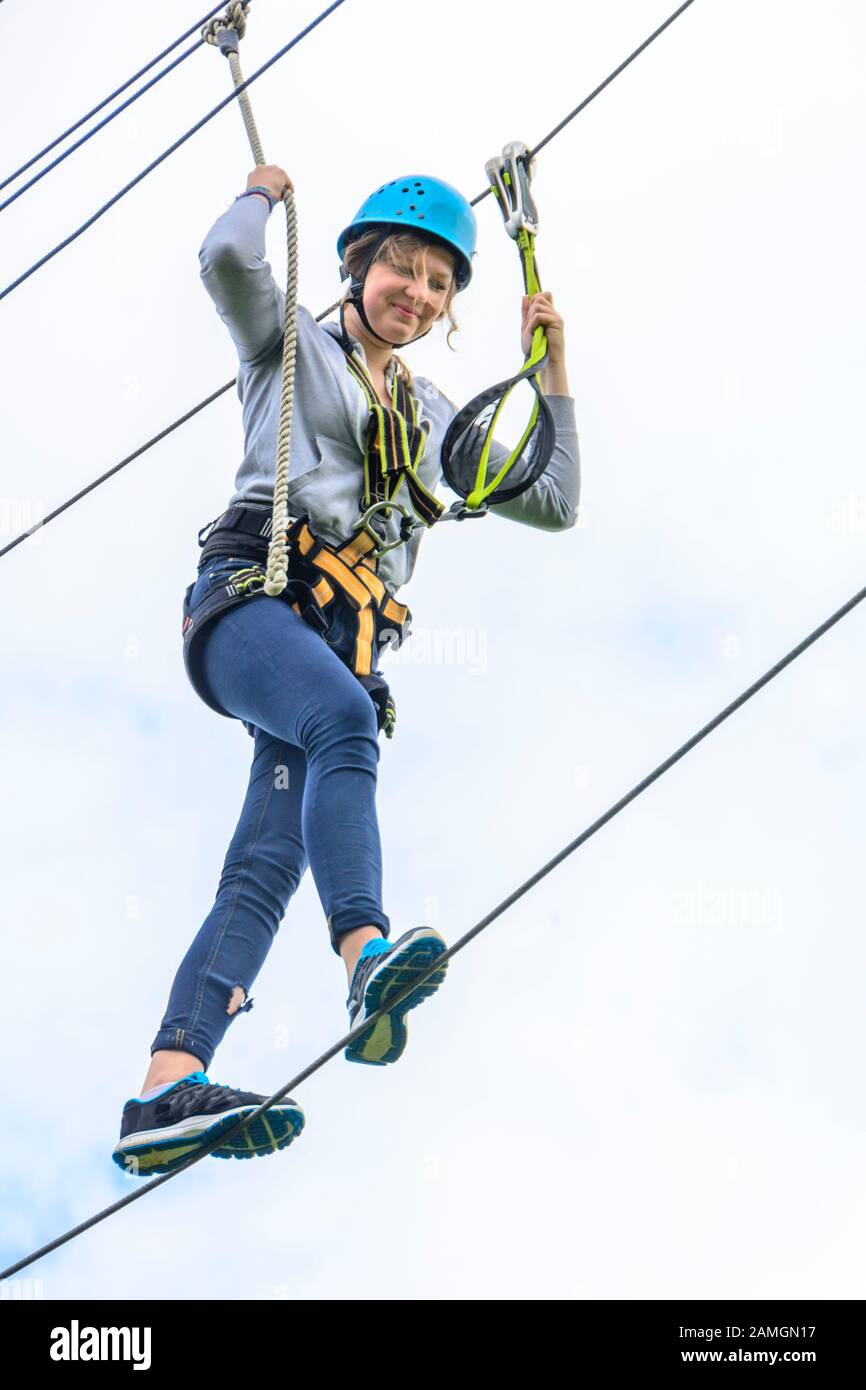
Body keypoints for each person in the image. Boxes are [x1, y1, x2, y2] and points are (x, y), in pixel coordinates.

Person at [112, 166, 580, 1177]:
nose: (413, 293)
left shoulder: (431, 416)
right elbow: (224, 259)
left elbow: (553, 500)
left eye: (437, 283)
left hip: (327, 653)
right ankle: (365, 956)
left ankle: (163, 1086)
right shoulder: (294, 347)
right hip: (249, 607)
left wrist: (553, 370)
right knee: (343, 725)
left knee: (262, 867)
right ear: (355, 267)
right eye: (397, 270)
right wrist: (257, 193)